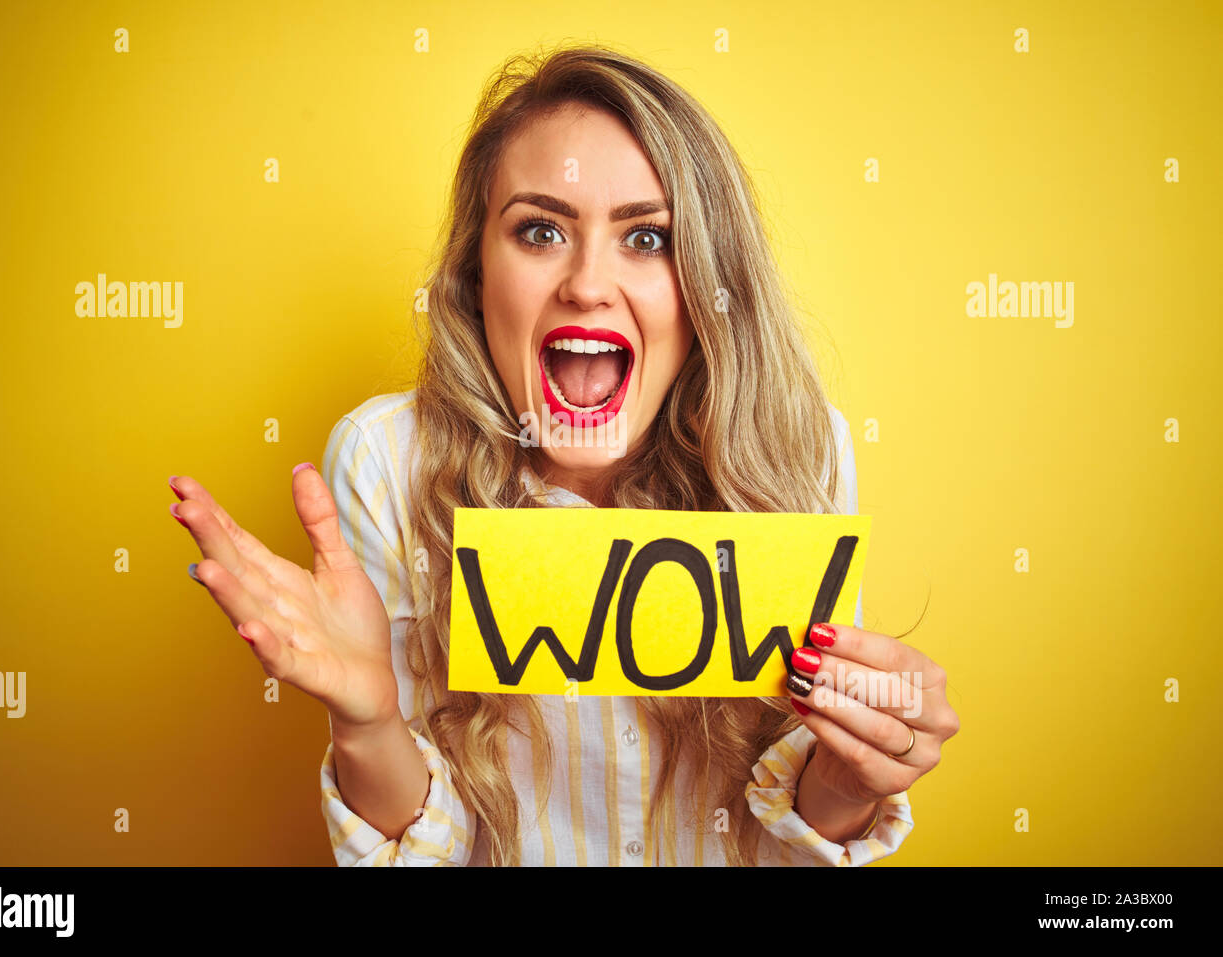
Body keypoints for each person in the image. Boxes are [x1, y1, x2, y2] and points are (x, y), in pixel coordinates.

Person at [168, 44, 959, 866]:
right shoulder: (387, 462)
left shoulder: (796, 449)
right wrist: (368, 723)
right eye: (540, 230)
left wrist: (853, 773)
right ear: (477, 272)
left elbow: (786, 852)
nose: (587, 283)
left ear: (708, 285)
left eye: (647, 237)